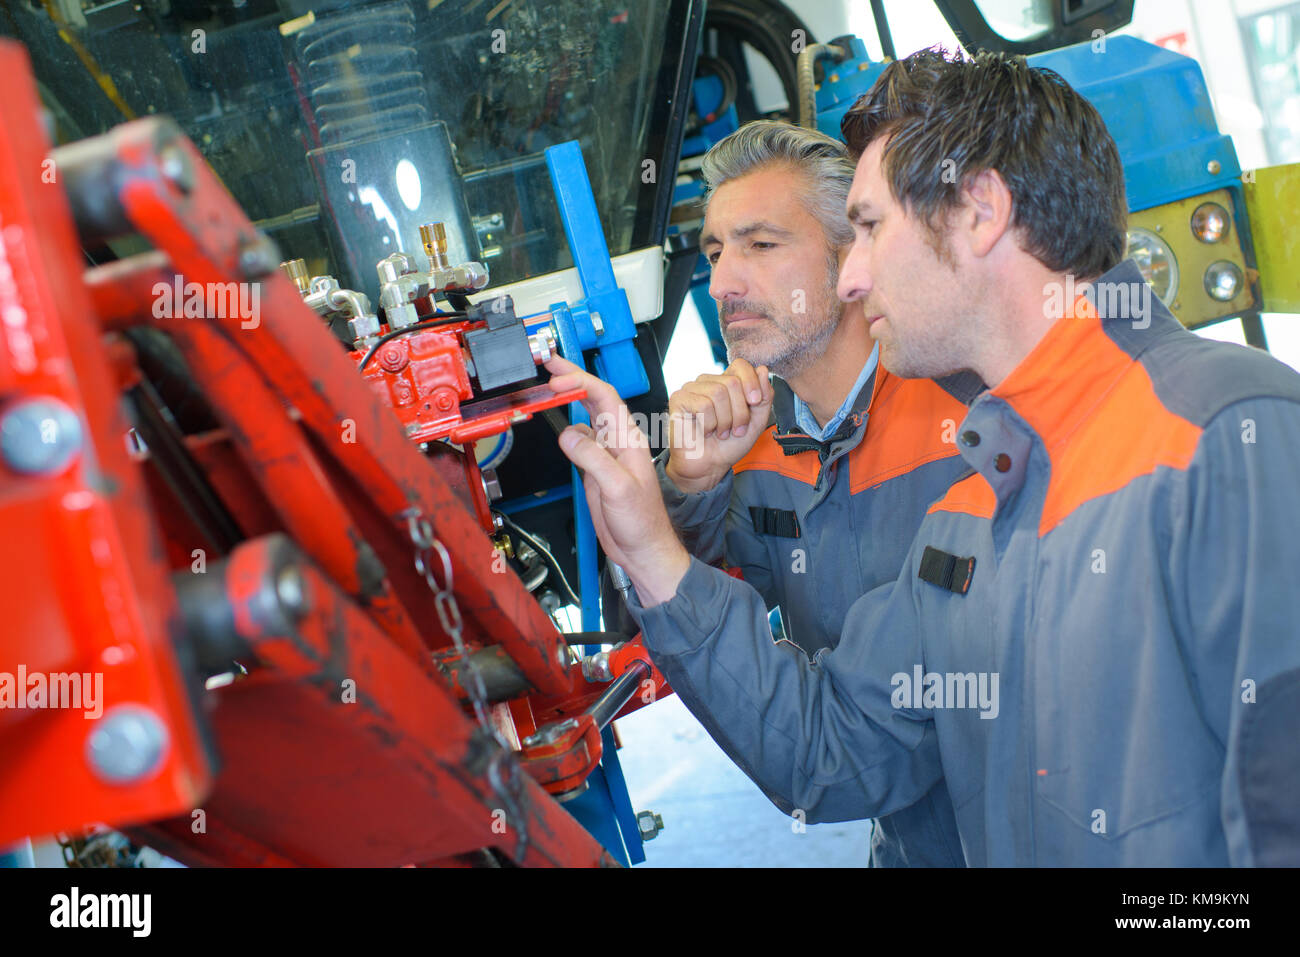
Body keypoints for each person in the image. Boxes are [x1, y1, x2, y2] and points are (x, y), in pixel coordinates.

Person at [548, 47, 1300, 865]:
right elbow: (829, 751)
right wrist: (656, 546)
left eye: (869, 227)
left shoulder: (1226, 432)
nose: (854, 274)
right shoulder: (970, 516)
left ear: (980, 211)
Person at [647, 120, 975, 866]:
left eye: (761, 246)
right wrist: (687, 487)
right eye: (714, 251)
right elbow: (703, 614)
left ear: (850, 258)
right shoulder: (751, 442)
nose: (724, 282)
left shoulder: (965, 415)